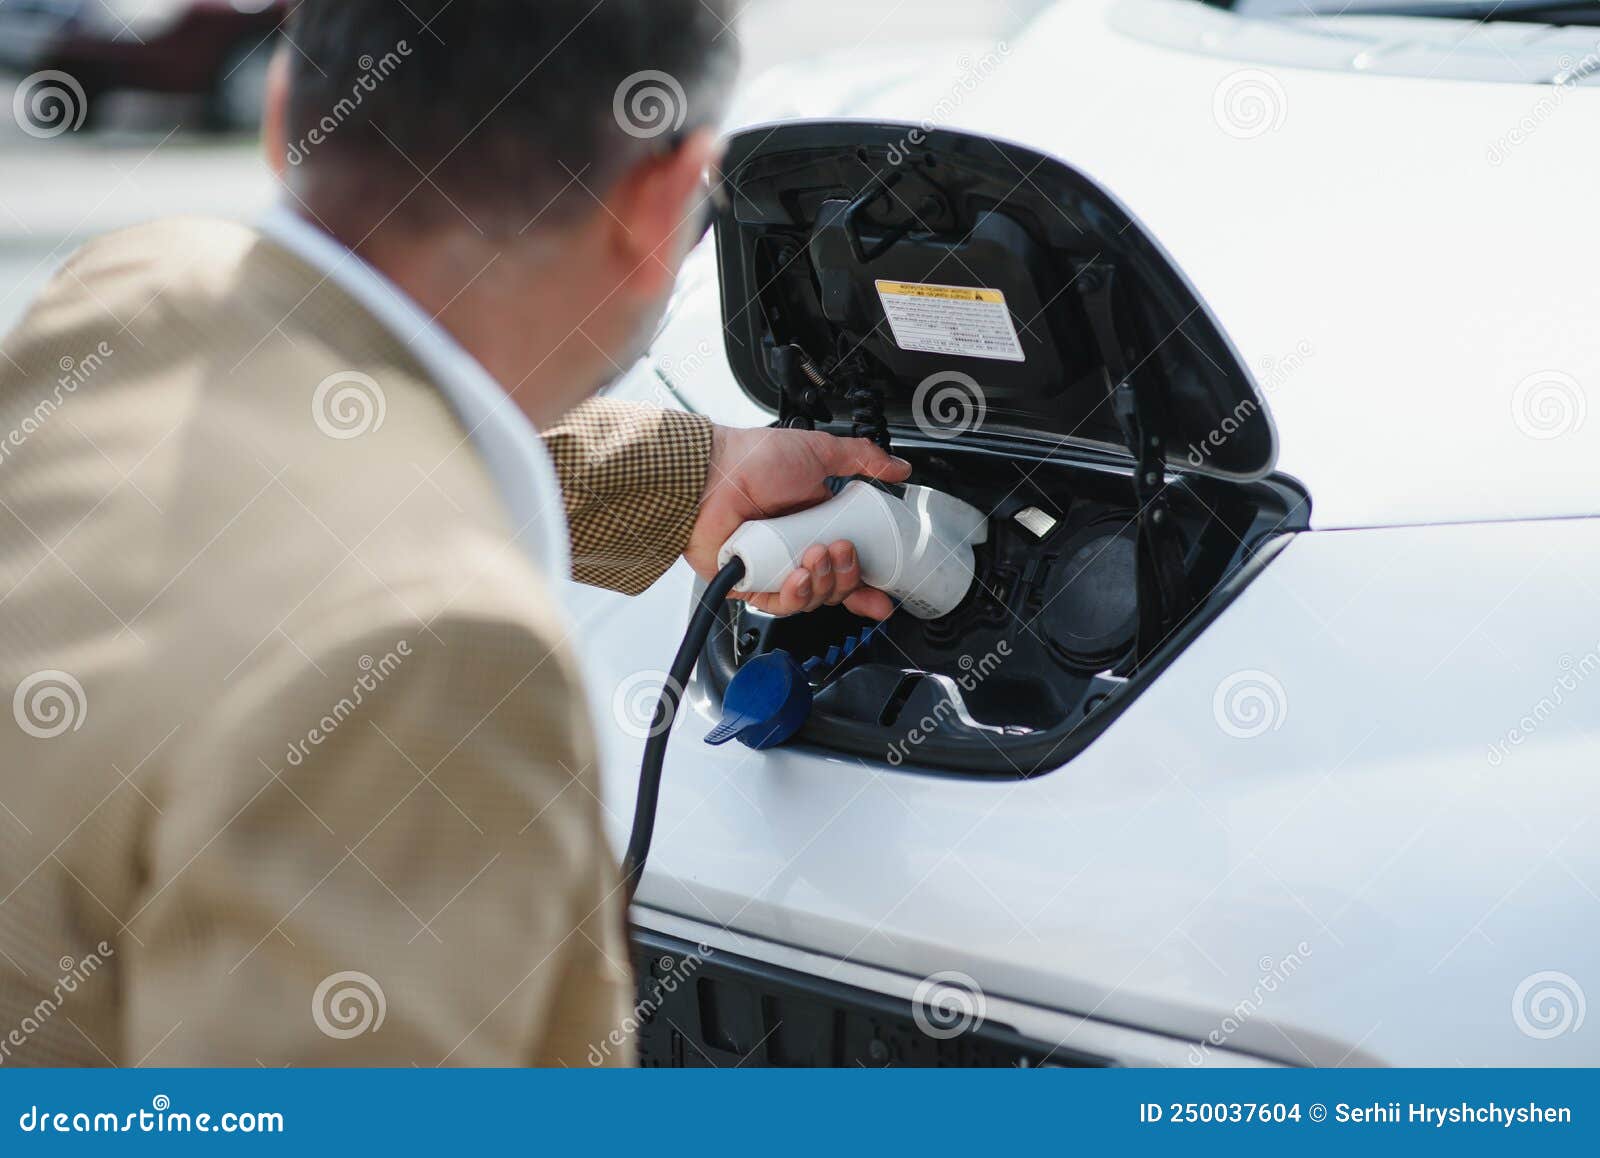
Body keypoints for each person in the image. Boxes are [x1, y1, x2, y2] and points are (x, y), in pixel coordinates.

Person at [0, 0, 908, 1066]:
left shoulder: (129, 293)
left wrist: (688, 474)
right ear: (659, 205)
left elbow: (300, 436)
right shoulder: (432, 655)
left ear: (284, 111)